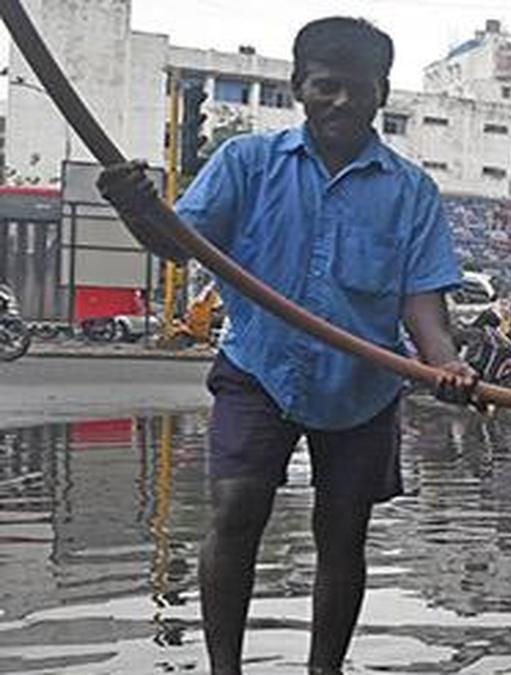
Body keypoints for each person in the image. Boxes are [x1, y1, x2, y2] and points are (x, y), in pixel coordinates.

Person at [97, 17, 477, 674]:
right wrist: (137, 210)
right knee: (238, 507)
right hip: (259, 367)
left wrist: (445, 363)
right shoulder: (246, 163)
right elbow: (179, 245)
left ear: (381, 93)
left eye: (357, 88)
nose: (341, 102)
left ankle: (323, 670)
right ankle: (226, 670)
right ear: (300, 87)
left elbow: (422, 304)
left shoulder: (411, 191)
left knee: (342, 530)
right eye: (325, 86)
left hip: (362, 384)